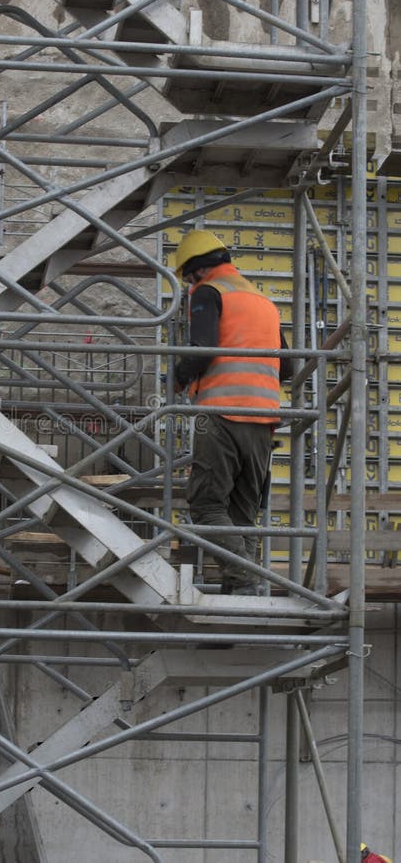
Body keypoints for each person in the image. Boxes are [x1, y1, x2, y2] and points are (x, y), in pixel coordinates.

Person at [173, 229, 292, 595]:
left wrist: (176, 376)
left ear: (195, 271)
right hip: (263, 420)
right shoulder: (262, 302)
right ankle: (240, 594)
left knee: (207, 505)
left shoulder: (209, 292)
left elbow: (202, 350)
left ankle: (244, 579)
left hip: (221, 413)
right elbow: (285, 368)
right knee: (242, 515)